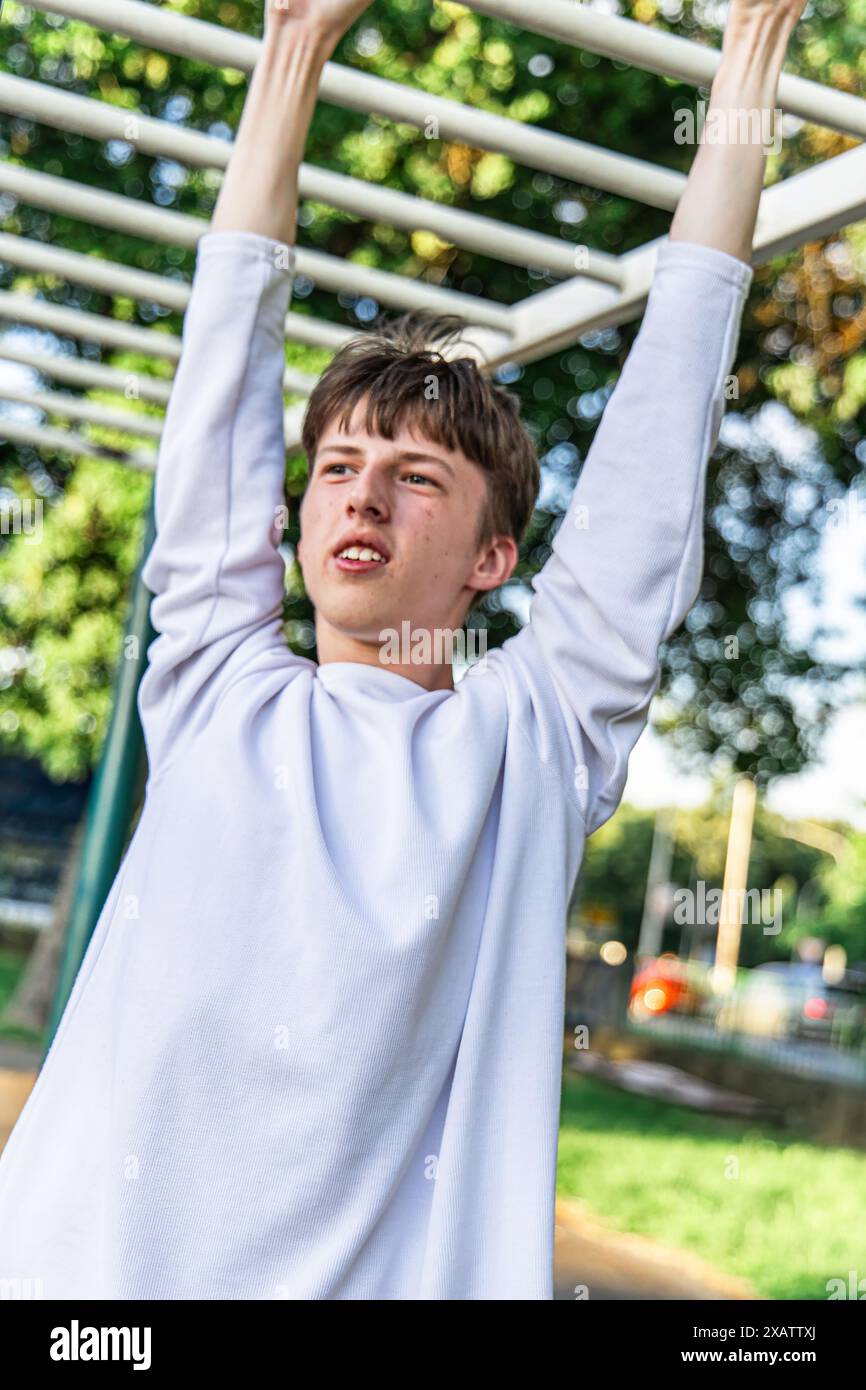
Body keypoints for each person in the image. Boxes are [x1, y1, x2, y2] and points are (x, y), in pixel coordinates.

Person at [0, 0, 805, 1299]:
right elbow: (219, 385)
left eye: (417, 477)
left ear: (496, 556)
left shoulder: (528, 738)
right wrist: (289, 49)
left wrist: (752, 48)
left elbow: (662, 427)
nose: (363, 496)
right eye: (336, 465)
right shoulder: (213, 683)